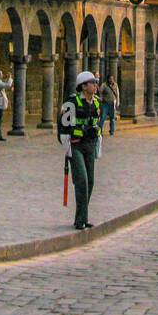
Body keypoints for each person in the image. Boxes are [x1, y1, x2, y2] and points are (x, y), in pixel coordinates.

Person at [59, 72, 101, 230]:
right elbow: (63, 127)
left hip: (89, 145)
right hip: (75, 145)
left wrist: (98, 140)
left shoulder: (96, 103)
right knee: (82, 180)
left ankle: (83, 217)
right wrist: (67, 148)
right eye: (92, 83)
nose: (96, 85)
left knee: (90, 182)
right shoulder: (71, 103)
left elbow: (97, 124)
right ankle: (80, 220)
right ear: (84, 86)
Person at [0, 69, 13, 142]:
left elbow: (4, 84)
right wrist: (10, 78)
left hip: (0, 104)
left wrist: (8, 78)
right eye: (1, 74)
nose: (2, 75)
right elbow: (7, 85)